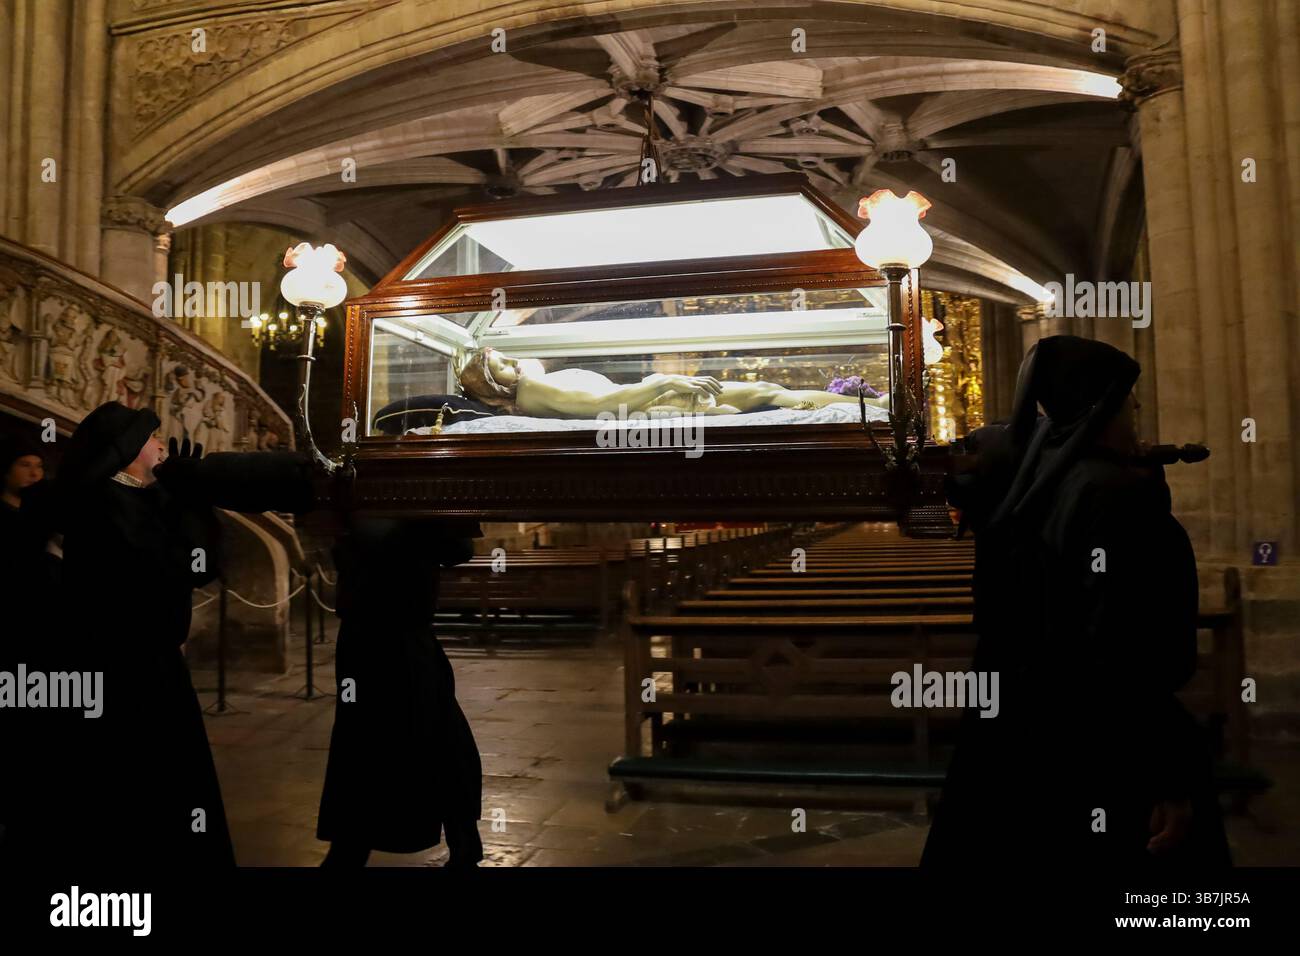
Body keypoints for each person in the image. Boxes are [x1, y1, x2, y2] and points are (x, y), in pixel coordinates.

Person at [921, 335, 1230, 869]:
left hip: (1027, 733)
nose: (1136, 411)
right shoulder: (1114, 497)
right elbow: (1129, 649)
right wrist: (1167, 773)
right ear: (1104, 408)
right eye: (1128, 401)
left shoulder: (1038, 484)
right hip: (1105, 745)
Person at [40, 401, 235, 867]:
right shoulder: (107, 505)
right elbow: (181, 567)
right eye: (151, 437)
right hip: (125, 672)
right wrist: (189, 506)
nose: (162, 444)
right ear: (127, 450)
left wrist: (190, 500)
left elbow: (205, 564)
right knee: (138, 792)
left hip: (150, 667)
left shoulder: (139, 498)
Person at [317, 515, 485, 867]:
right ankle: (352, 846)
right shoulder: (373, 507)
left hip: (394, 638)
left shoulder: (396, 509)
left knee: (432, 737)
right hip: (382, 640)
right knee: (385, 741)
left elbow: (459, 549)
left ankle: (460, 838)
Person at [456, 347, 889, 418]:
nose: (518, 362)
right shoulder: (533, 390)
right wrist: (668, 382)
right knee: (769, 394)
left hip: (656, 393)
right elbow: (605, 404)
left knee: (770, 394)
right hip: (653, 400)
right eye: (505, 365)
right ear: (497, 387)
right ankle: (870, 410)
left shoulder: (535, 386)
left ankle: (868, 407)